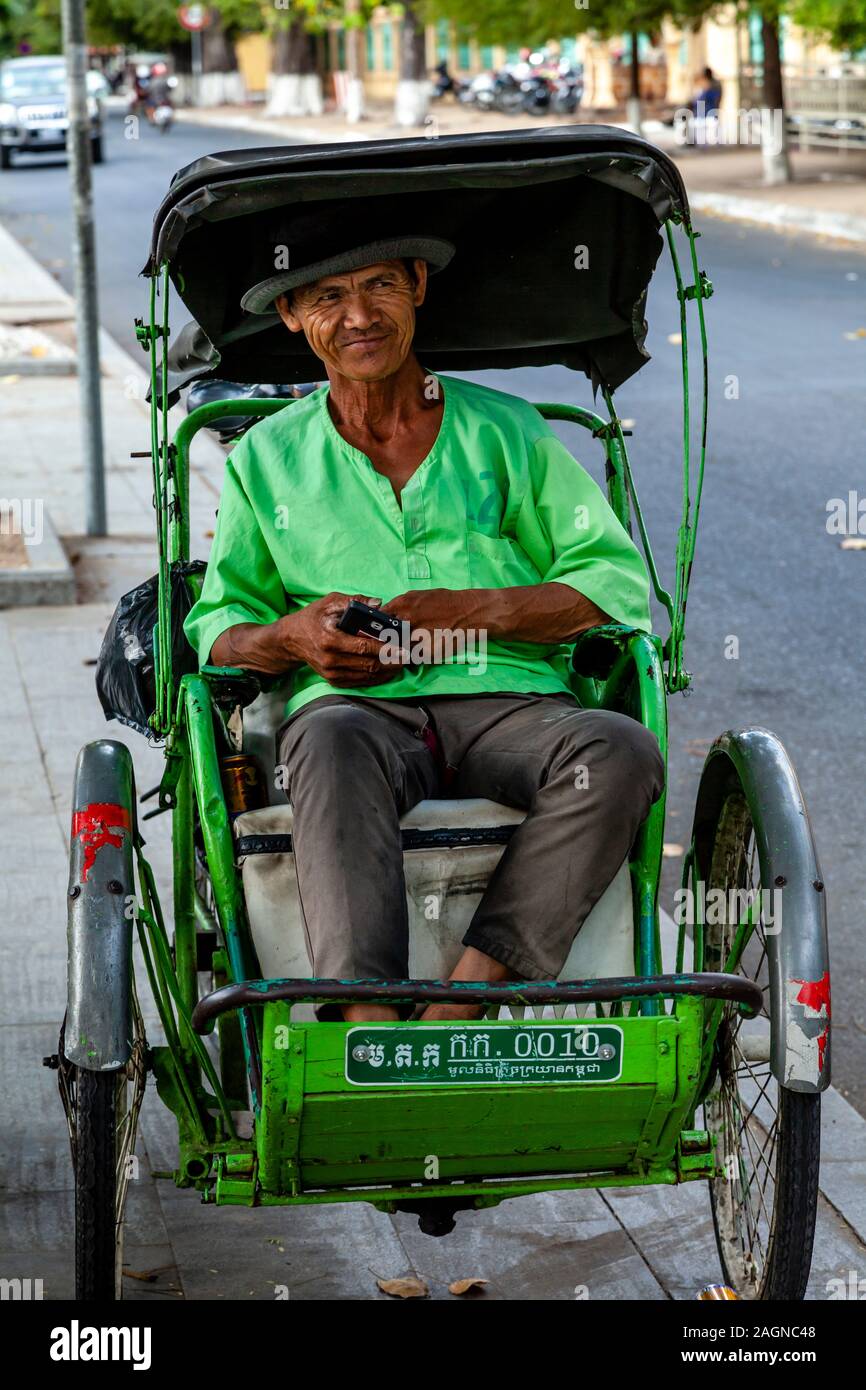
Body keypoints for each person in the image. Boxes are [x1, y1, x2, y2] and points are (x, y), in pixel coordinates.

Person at [184, 235, 665, 1023]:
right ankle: (366, 1023)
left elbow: (612, 585)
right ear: (294, 315)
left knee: (619, 748)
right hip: (354, 714)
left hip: (512, 702)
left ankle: (463, 1002)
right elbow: (221, 627)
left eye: (379, 286)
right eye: (328, 298)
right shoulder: (266, 459)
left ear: (416, 286)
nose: (359, 316)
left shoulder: (508, 432)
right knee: (328, 742)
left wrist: (475, 608)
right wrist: (296, 636)